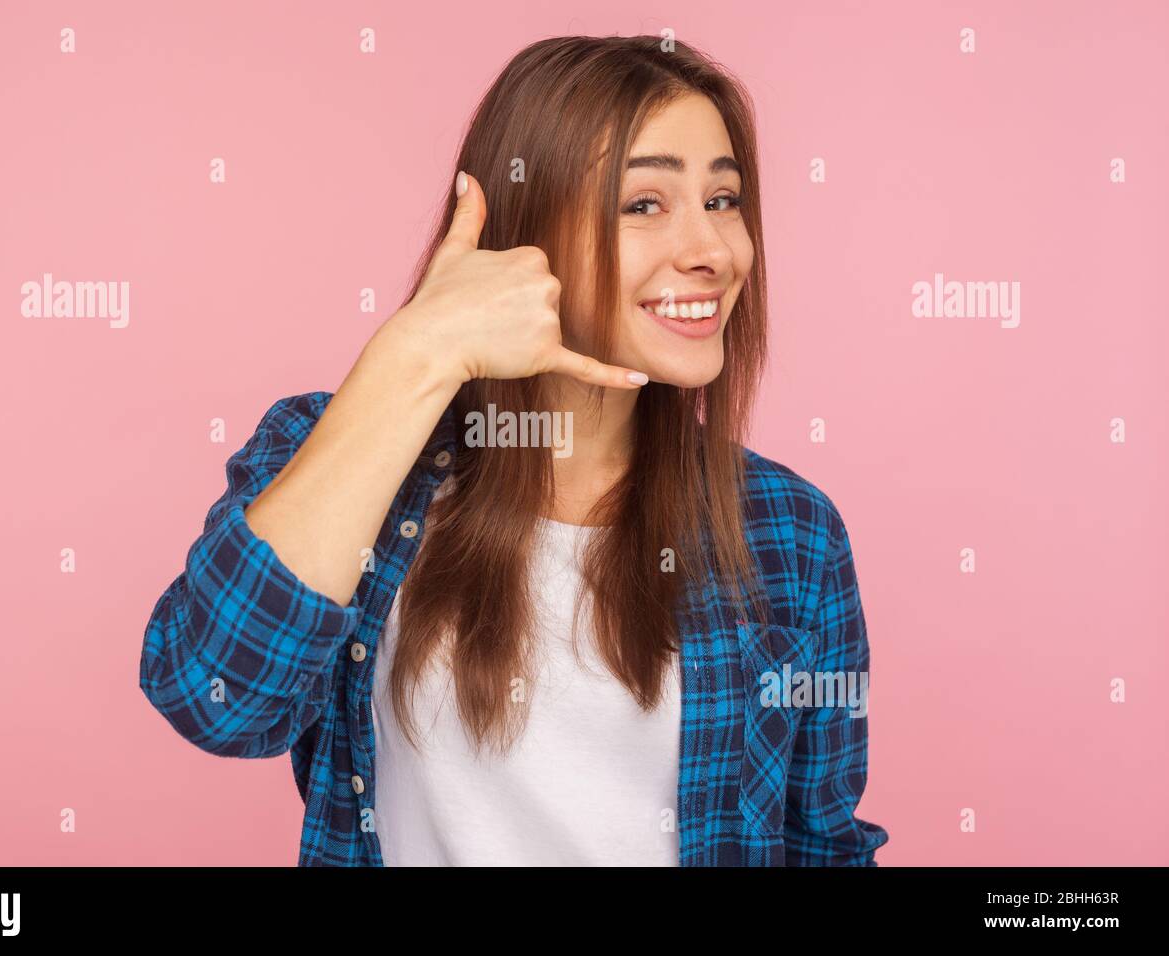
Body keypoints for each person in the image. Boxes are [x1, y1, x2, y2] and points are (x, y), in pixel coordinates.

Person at [139, 34, 888, 866]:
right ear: (526, 234)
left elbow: (821, 847)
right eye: (644, 204)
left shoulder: (793, 533)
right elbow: (216, 701)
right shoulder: (337, 451)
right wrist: (414, 354)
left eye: (723, 199)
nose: (712, 251)